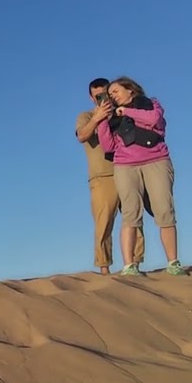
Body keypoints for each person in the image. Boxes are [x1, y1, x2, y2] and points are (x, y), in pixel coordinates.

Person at [91, 76, 187, 276]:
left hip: (156, 161)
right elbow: (108, 146)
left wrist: (126, 111)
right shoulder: (112, 118)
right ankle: (129, 266)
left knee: (164, 210)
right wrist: (101, 120)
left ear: (130, 90)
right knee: (130, 214)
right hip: (125, 165)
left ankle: (173, 262)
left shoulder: (151, 104)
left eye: (115, 91)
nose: (112, 96)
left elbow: (154, 120)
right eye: (110, 95)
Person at [75, 77, 144, 274]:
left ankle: (134, 264)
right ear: (91, 97)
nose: (102, 98)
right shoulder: (86, 116)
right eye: (98, 96)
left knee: (133, 218)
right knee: (103, 223)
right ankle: (104, 269)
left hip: (129, 169)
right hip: (102, 176)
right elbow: (81, 136)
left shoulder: (123, 111)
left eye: (106, 94)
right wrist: (98, 117)